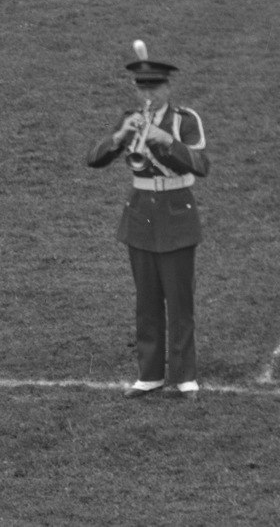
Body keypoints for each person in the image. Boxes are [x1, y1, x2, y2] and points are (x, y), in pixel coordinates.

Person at [88, 38, 209, 399]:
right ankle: (150, 372)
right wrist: (120, 137)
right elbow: (92, 159)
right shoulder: (129, 118)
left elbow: (202, 165)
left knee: (179, 299)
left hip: (176, 209)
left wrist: (165, 140)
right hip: (140, 212)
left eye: (154, 87)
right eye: (143, 87)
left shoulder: (185, 120)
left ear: (167, 87)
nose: (148, 93)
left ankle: (184, 374)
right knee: (147, 299)